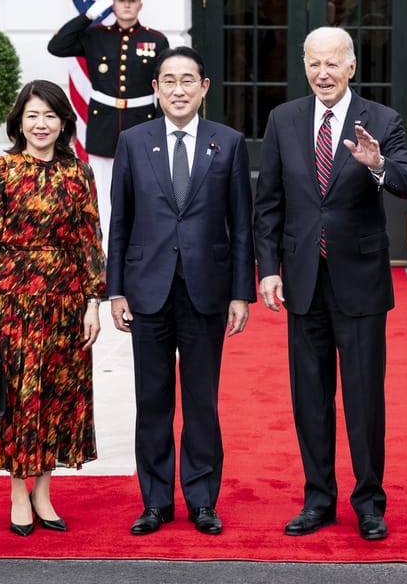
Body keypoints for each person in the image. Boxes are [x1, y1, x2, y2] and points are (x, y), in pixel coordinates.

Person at [254, 26, 407, 542]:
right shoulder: (283, 120)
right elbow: (269, 204)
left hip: (361, 281)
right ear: (304, 66)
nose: (323, 73)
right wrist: (267, 270)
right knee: (310, 396)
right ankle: (318, 498)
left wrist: (377, 165)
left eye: (333, 63)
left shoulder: (383, 120)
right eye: (313, 63)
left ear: (352, 67)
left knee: (364, 397)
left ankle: (369, 502)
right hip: (303, 279)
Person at [107, 46, 255, 537]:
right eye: (168, 80)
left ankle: (201, 499)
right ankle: (155, 501)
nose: (178, 89)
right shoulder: (133, 142)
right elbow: (121, 222)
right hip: (146, 290)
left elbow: (241, 224)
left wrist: (240, 293)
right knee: (152, 400)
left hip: (205, 291)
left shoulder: (228, 143)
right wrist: (116, 291)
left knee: (201, 401)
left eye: (188, 80)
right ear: (155, 88)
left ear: (204, 87)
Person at [0, 80, 105, 537]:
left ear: (63, 123)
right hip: (14, 299)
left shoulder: (78, 173)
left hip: (65, 300)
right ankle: (18, 494)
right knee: (21, 400)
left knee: (57, 396)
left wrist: (92, 301)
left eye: (50, 116)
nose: (41, 124)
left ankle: (44, 491)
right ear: (19, 122)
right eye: (32, 116)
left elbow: (89, 240)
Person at [47, 0, 170, 236]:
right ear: (113, 4)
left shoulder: (156, 40)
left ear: (140, 4)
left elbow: (163, 85)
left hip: (142, 122)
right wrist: (89, 15)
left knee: (141, 188)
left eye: (132, 0)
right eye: (121, 0)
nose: (126, 5)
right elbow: (56, 46)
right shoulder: (94, 36)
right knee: (102, 190)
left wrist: (160, 125)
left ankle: (138, 243)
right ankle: (105, 249)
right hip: (103, 123)